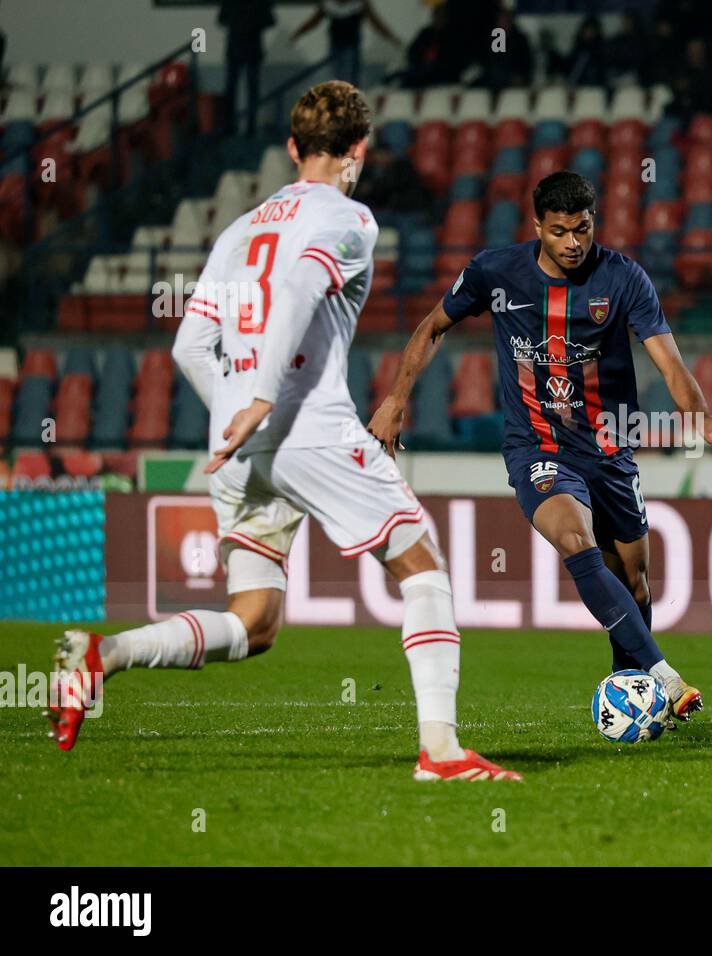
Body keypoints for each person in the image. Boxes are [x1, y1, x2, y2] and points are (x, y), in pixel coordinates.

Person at [47, 81, 519, 783]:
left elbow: (187, 345)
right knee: (423, 568)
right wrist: (265, 399)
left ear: (293, 148)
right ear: (359, 150)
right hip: (306, 426)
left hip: (239, 444)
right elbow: (300, 287)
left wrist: (238, 413)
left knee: (254, 621)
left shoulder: (238, 231)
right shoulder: (352, 219)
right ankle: (442, 753)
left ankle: (104, 654)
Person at [367, 171, 712, 722]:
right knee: (575, 538)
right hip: (537, 447)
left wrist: (703, 417)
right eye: (560, 231)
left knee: (635, 582)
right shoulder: (495, 272)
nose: (573, 242)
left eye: (583, 229)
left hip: (611, 448)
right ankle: (664, 680)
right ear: (537, 227)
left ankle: (633, 695)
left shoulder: (624, 279)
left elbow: (669, 360)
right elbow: (432, 328)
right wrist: (395, 400)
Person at [291, 1, 402, 88]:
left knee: (349, 79)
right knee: (336, 77)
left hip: (351, 48)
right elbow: (313, 21)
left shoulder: (359, 4)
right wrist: (298, 33)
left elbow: (376, 23)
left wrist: (392, 38)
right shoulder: (329, 5)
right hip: (335, 47)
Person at [218, 0, 275, 135]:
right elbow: (270, 21)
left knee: (232, 90)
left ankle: (231, 126)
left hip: (236, 48)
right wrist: (253, 22)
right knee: (251, 90)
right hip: (252, 48)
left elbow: (222, 19)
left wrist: (238, 22)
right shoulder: (260, 3)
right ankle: (250, 127)